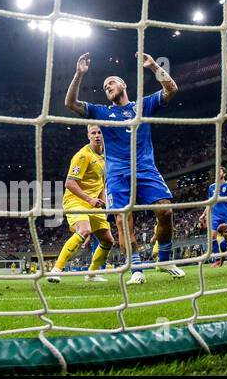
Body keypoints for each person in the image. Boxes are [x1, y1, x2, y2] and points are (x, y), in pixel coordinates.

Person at [64, 51, 187, 283]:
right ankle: (137, 269)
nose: (107, 86)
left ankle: (165, 259)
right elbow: (70, 103)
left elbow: (172, 90)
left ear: (123, 85)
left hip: (145, 168)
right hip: (117, 174)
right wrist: (79, 74)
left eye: (111, 82)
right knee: (122, 220)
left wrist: (153, 67)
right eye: (104, 86)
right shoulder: (102, 112)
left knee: (165, 211)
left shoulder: (142, 106)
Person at [48, 125, 113, 283]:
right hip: (76, 200)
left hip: (93, 203)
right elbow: (69, 183)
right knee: (84, 230)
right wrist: (89, 199)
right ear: (88, 136)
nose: (97, 136)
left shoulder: (106, 156)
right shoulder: (83, 156)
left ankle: (91, 274)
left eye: (99, 133)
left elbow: (100, 184)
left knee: (108, 240)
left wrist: (104, 202)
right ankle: (56, 270)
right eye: (93, 133)